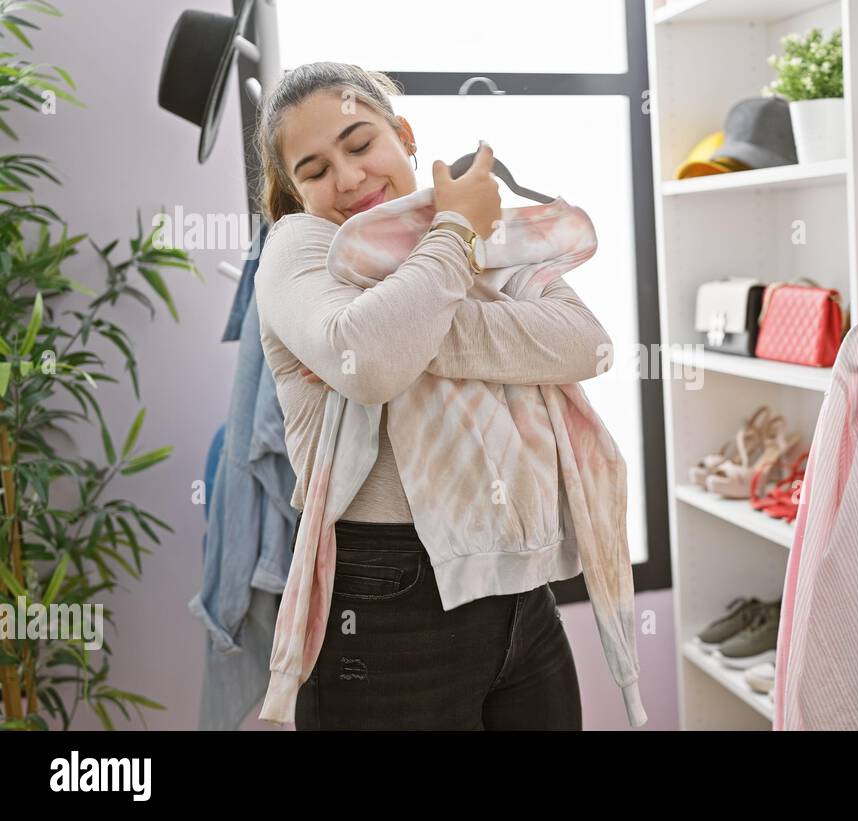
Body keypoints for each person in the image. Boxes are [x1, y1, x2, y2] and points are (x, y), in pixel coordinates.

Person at [253, 61, 612, 730]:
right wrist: (454, 239)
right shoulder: (300, 247)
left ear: (406, 135)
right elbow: (373, 363)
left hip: (518, 583)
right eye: (315, 169)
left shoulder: (489, 229)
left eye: (360, 145)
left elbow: (585, 343)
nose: (350, 177)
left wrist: (415, 310)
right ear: (294, 191)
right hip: (384, 597)